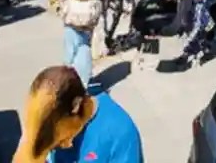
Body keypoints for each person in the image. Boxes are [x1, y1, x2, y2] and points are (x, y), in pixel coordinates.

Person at [14, 65, 143, 163]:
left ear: (76, 106)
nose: (65, 146)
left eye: (61, 141)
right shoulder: (46, 125)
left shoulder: (120, 133)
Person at [60, 0, 103, 88]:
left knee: (84, 57)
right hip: (72, 32)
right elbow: (65, 15)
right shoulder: (70, 3)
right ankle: (70, 80)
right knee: (70, 57)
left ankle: (82, 83)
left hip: (85, 34)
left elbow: (93, 19)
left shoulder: (94, 3)